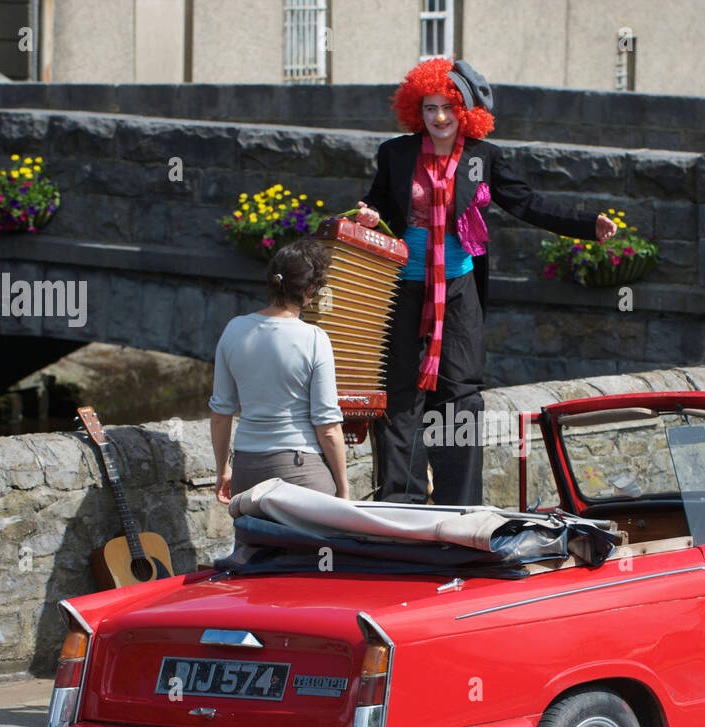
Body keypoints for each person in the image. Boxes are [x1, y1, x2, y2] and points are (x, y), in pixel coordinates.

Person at [354, 58, 617, 506]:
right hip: (404, 290)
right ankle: (402, 505)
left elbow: (528, 204)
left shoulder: (483, 158)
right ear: (417, 109)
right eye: (431, 107)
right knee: (400, 399)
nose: (439, 117)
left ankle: (459, 506)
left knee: (459, 398)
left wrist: (586, 224)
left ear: (466, 111)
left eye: (448, 108)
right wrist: (369, 213)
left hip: (459, 293)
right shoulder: (396, 154)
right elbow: (377, 201)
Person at [210, 239, 349, 541]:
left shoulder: (234, 329)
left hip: (247, 468)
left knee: (254, 567)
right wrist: (343, 487)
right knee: (309, 574)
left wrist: (224, 469)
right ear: (310, 290)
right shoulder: (315, 338)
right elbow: (327, 427)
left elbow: (221, 413)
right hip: (301, 470)